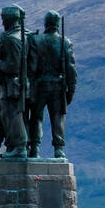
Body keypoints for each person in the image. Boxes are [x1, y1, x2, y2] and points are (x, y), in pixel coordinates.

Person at [0, 4, 36, 159]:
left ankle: (19, 147)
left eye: (3, 19)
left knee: (13, 114)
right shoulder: (27, 35)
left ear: (8, 20)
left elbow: (12, 67)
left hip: (12, 85)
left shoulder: (10, 39)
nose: (2, 23)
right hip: (16, 85)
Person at [26, 10, 77, 159]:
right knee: (57, 118)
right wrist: (71, 89)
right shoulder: (65, 42)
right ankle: (59, 149)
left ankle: (34, 148)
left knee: (36, 118)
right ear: (56, 25)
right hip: (57, 86)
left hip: (40, 86)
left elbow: (32, 68)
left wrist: (31, 86)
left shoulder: (36, 40)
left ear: (45, 23)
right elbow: (70, 69)